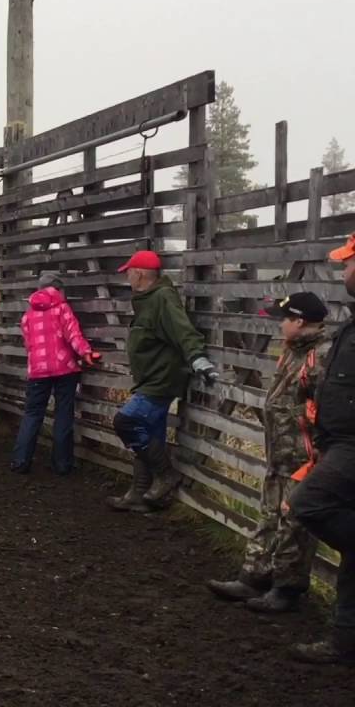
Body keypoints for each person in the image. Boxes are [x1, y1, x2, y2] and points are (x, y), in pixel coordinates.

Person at [207, 292, 326, 615]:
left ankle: (287, 587)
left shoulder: (321, 357)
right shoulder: (292, 352)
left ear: (299, 321)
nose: (280, 324)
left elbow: (325, 408)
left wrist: (315, 448)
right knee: (270, 512)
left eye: (284, 319)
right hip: (281, 451)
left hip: (304, 456)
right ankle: (254, 575)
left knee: (294, 520)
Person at [107, 249, 219, 512]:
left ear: (140, 273)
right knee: (148, 436)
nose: (128, 279)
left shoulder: (163, 299)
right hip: (150, 378)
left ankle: (166, 475)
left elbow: (183, 330)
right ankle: (139, 495)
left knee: (126, 422)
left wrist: (197, 358)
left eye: (129, 273)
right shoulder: (147, 299)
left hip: (160, 380)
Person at [287, 234, 355, 665]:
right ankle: (345, 642)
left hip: (352, 446)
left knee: (307, 504)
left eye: (349, 263)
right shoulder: (352, 322)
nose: (344, 271)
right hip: (340, 444)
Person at [11, 273, 99, 475]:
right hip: (65, 369)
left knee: (32, 414)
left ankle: (20, 461)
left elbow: (29, 344)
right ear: (58, 289)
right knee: (63, 413)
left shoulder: (28, 315)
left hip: (38, 371)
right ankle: (62, 464)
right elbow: (73, 335)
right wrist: (86, 353)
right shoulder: (62, 309)